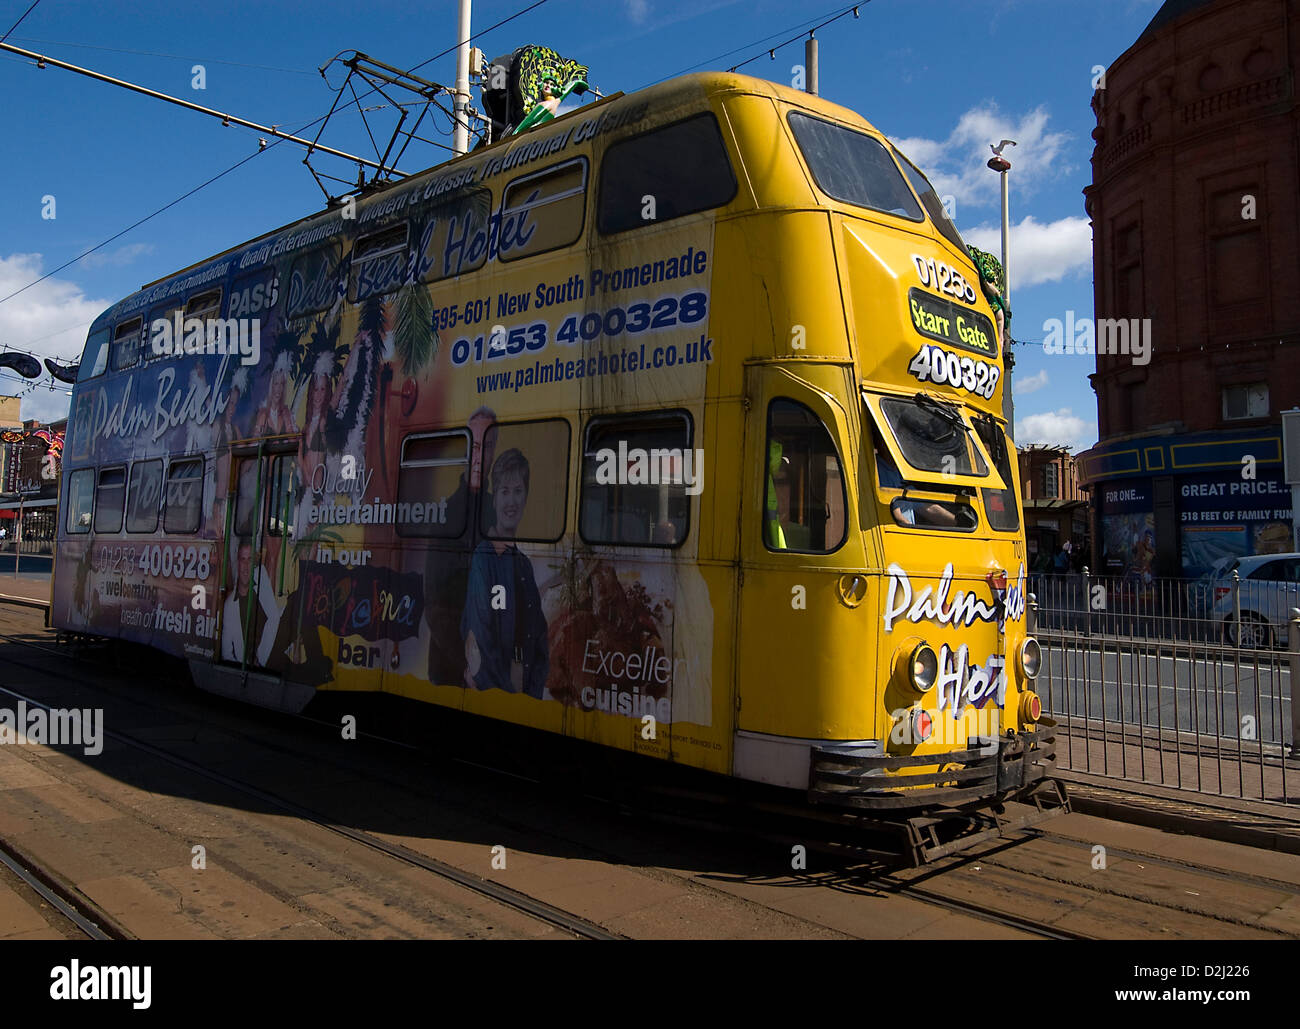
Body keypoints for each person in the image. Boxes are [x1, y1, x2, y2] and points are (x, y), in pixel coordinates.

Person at [460, 448, 549, 697]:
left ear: (526, 497)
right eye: (504, 491)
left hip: (523, 696)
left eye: (518, 491)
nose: (511, 501)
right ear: (495, 499)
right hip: (496, 696)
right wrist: (505, 696)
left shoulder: (523, 565)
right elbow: (480, 637)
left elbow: (540, 638)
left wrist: (532, 694)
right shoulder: (483, 559)